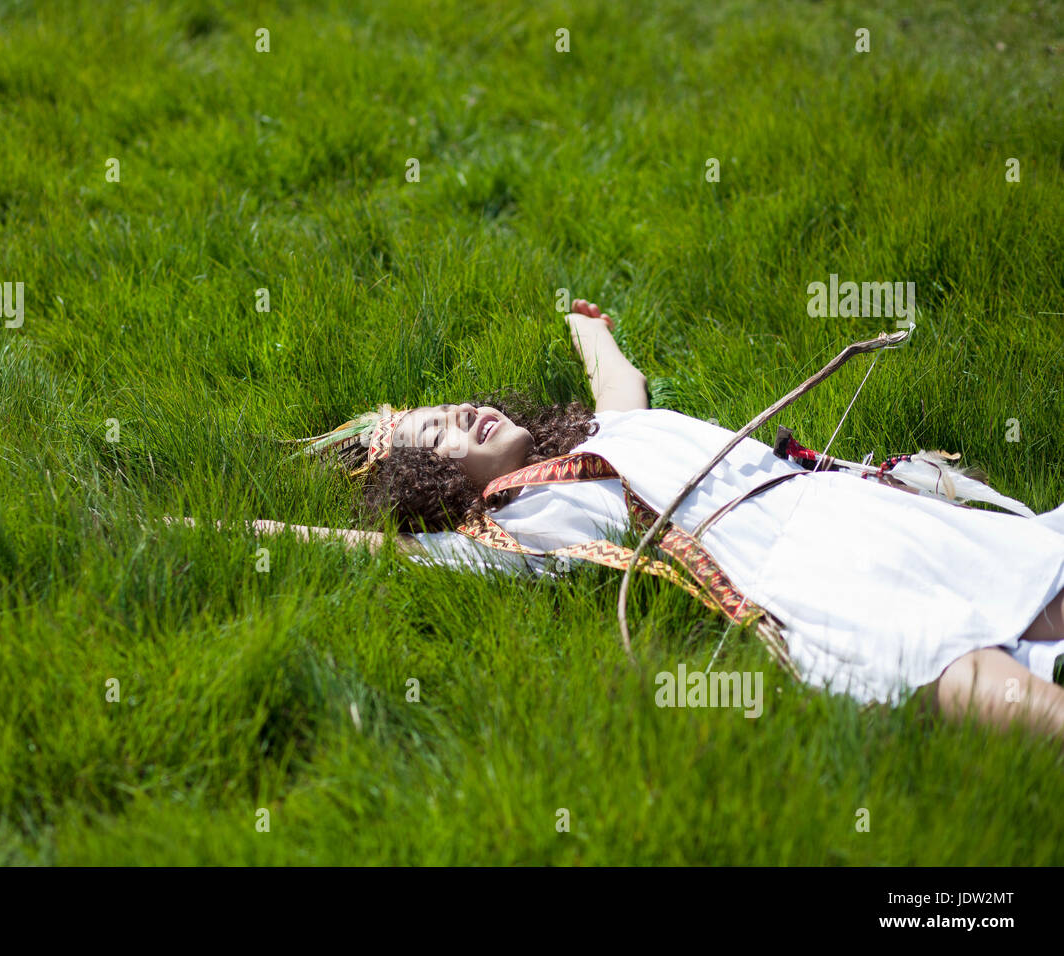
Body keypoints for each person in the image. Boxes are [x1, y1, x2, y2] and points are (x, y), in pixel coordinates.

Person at [229, 299, 1064, 741]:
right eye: (436, 438)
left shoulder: (605, 434)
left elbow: (616, 387)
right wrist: (224, 529)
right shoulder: (521, 527)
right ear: (434, 493)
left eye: (452, 405)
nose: (462, 414)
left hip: (846, 507)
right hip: (798, 573)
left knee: (1030, 571)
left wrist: (587, 329)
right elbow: (372, 553)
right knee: (950, 657)